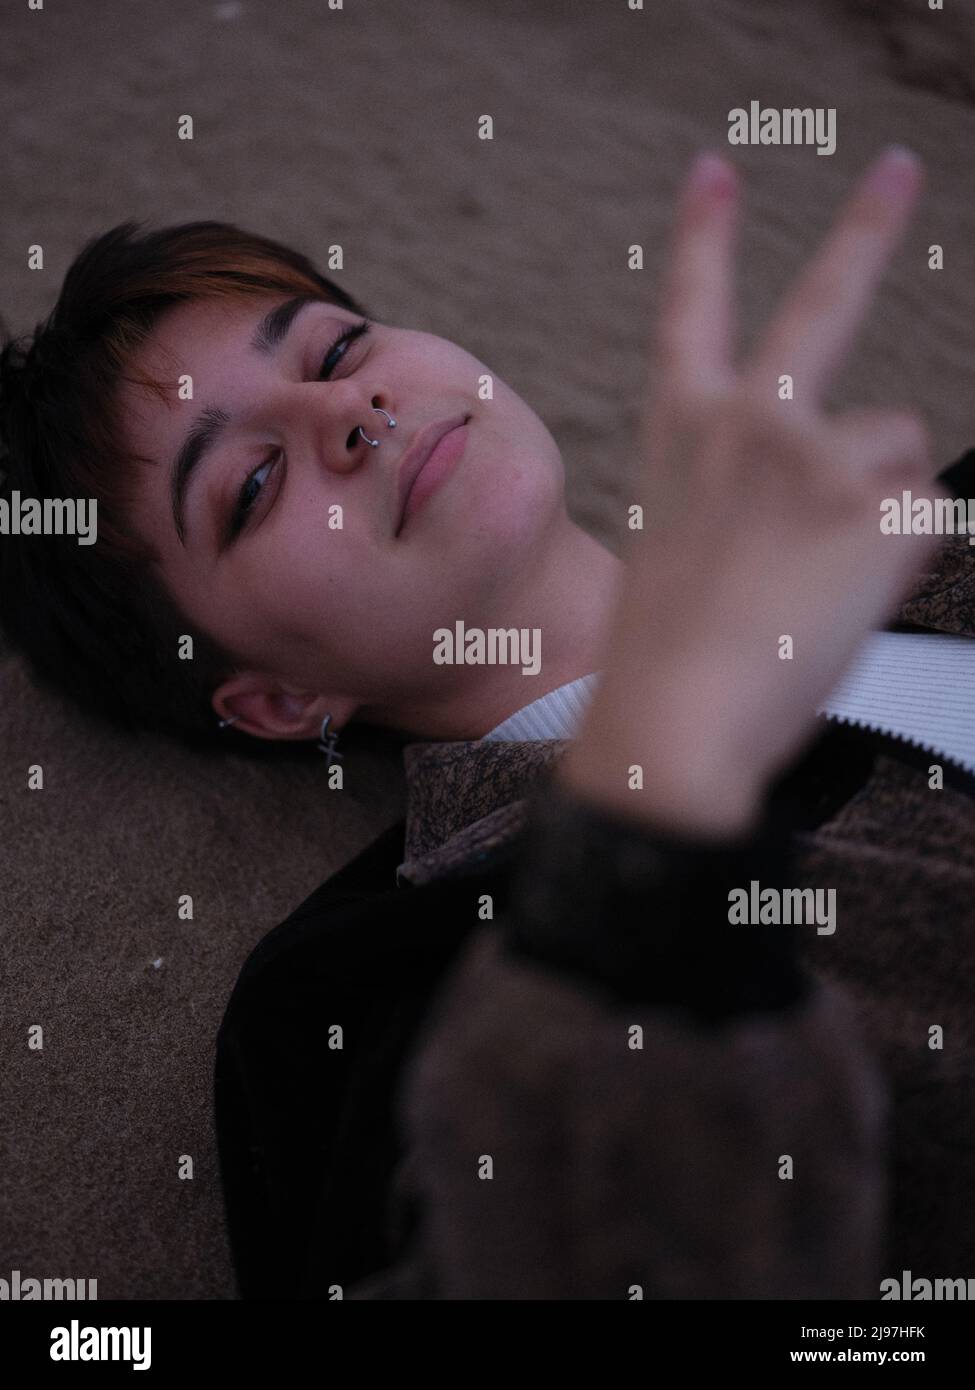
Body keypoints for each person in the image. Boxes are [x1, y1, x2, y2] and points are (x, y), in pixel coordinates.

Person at [2, 146, 973, 1299]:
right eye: (252, 488)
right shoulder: (368, 986)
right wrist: (648, 817)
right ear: (277, 700)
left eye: (335, 350)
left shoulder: (934, 524)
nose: (348, 412)